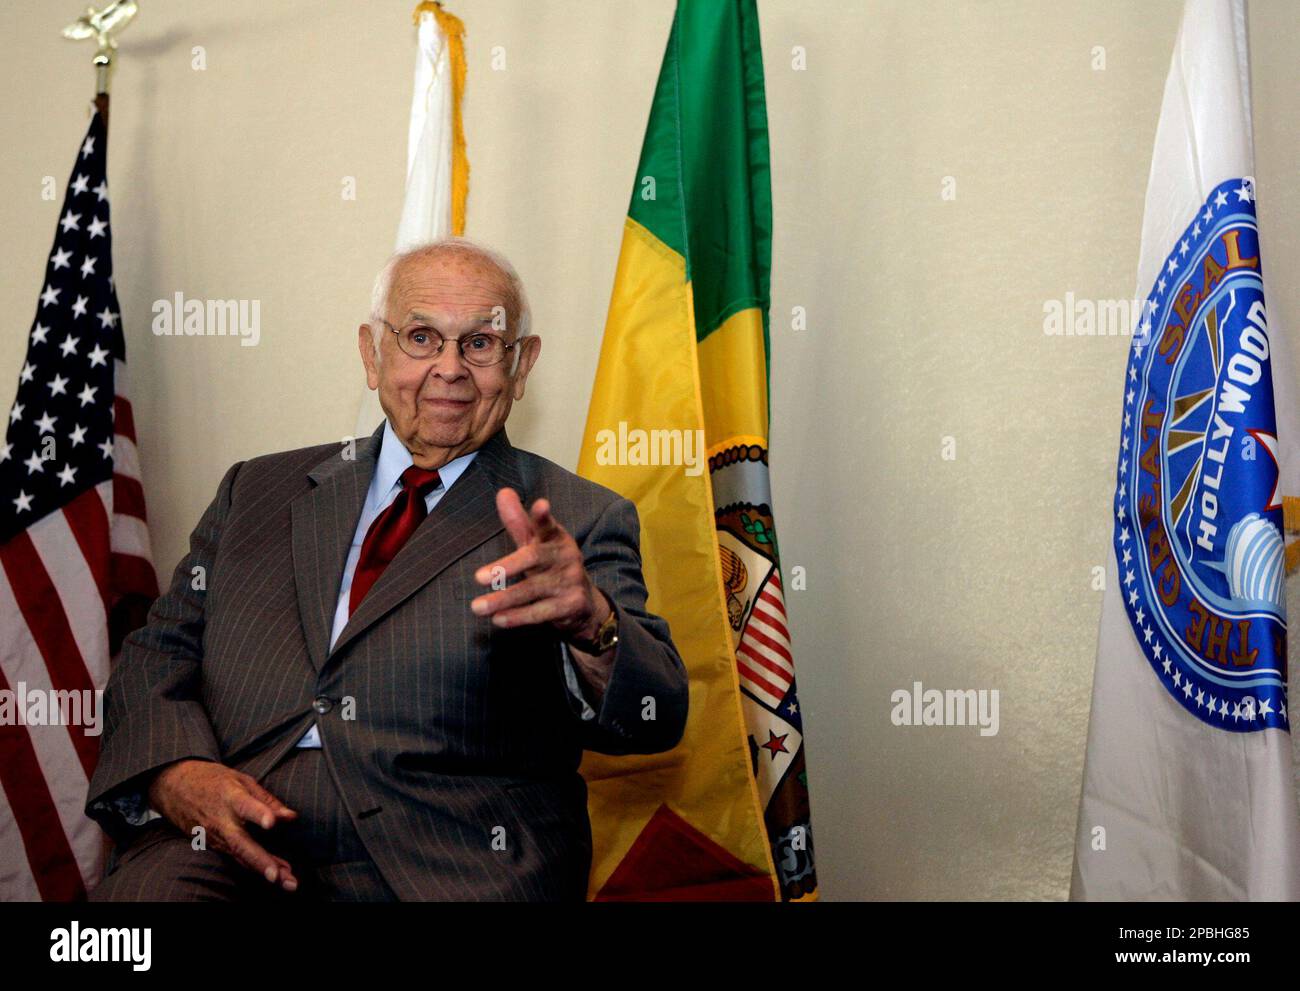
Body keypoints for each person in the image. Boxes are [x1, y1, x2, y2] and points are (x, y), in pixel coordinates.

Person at [85, 237, 689, 901]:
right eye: (422, 337)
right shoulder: (256, 490)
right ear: (373, 353)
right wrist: (175, 771)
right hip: (231, 846)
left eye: (481, 343)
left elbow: (653, 715)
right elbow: (155, 657)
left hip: (450, 861)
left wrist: (591, 620)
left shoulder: (578, 516)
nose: (450, 368)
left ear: (521, 365)